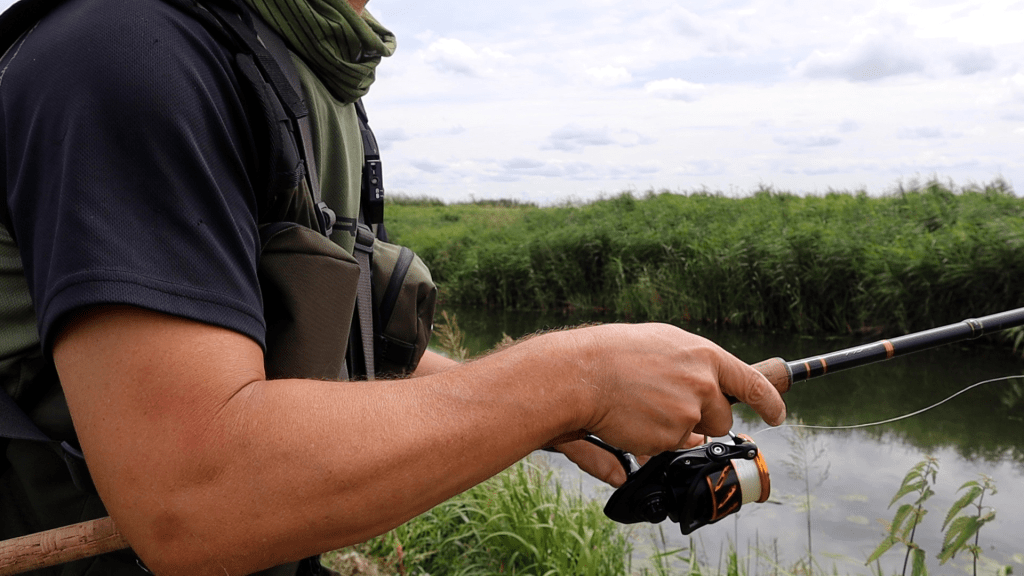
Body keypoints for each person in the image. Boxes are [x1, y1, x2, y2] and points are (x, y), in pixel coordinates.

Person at [0, 0, 787, 574]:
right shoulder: (124, 48)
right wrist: (570, 377)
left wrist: (557, 413)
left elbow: (331, 348)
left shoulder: (307, 70)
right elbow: (192, 494)